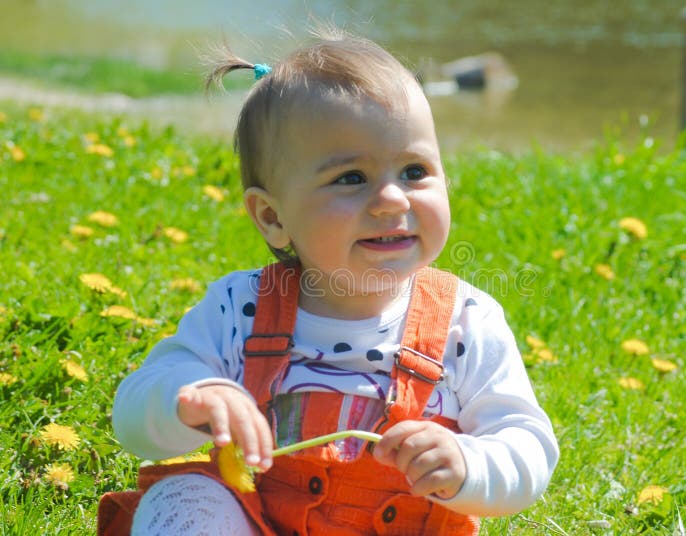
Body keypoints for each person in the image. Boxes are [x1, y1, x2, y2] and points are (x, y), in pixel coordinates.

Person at [105, 26, 558, 535]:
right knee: (182, 496)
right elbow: (134, 415)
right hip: (258, 520)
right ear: (273, 217)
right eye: (350, 178)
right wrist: (190, 398)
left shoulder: (465, 322)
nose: (393, 199)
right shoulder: (241, 307)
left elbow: (527, 442)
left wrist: (468, 463)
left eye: (414, 171)